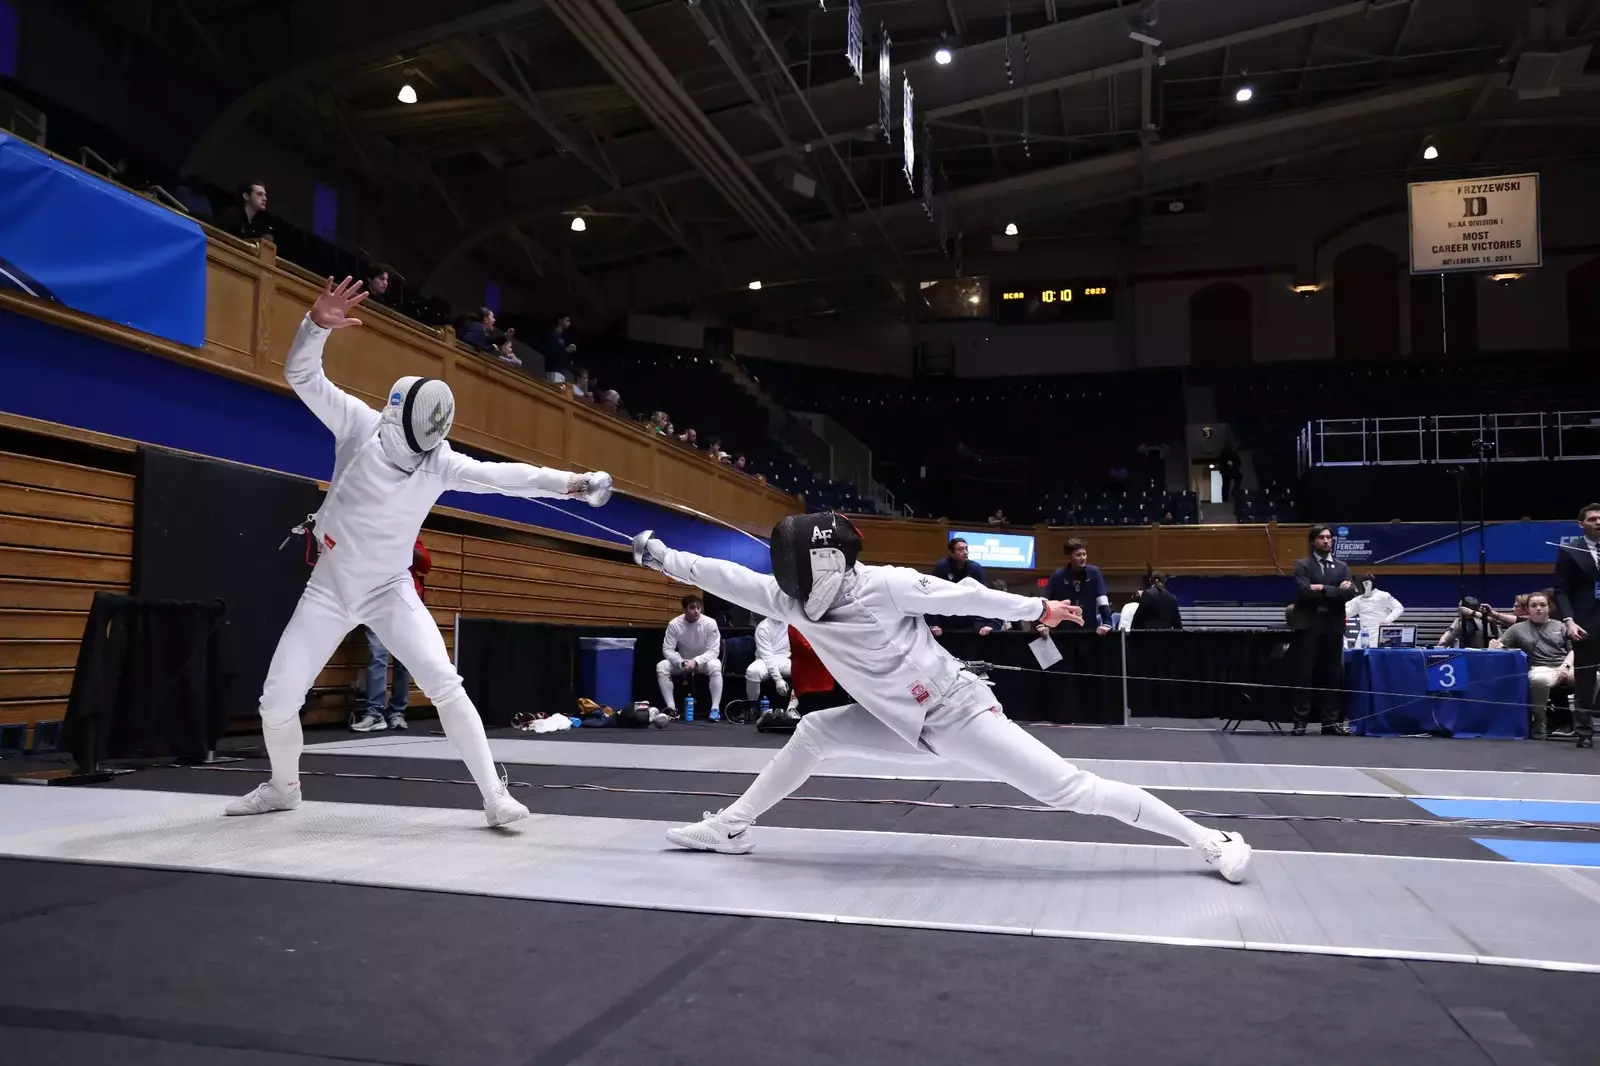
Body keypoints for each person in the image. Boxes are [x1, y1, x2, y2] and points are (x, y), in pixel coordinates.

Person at [632, 513, 1250, 883]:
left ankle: (1209, 840)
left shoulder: (886, 586)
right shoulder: (789, 601)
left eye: (796, 566)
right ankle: (732, 827)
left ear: (826, 563)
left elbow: (968, 597)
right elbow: (726, 577)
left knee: (1070, 790)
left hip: (956, 711)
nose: (787, 579)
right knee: (815, 732)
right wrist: (661, 557)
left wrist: (1037, 607)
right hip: (900, 723)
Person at [225, 278, 614, 825]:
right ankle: (283, 787)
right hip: (331, 587)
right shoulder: (359, 426)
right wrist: (314, 326)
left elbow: (509, 477)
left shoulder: (438, 461)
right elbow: (303, 376)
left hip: (390, 589)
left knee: (445, 684)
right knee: (277, 699)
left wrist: (571, 483)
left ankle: (495, 797)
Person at [353, 536, 431, 732]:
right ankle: (375, 714)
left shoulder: (409, 532)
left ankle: (397, 713)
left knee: (403, 660)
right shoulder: (373, 532)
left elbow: (425, 564)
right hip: (377, 600)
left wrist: (407, 545)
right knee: (377, 655)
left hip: (406, 601)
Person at [1287, 525, 1358, 735]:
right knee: (1304, 675)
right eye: (1321, 537)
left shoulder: (1342, 566)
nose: (1326, 541)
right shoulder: (1303, 565)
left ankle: (1330, 723)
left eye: (1328, 537)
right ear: (1313, 541)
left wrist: (1320, 588)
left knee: (1332, 675)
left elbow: (1350, 594)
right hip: (1309, 626)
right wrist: (1336, 590)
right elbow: (1304, 592)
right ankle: (1300, 722)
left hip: (1333, 626)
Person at [1491, 591, 1573, 740]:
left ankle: (1581, 723)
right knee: (1539, 680)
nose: (1538, 608)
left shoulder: (1562, 626)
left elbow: (1572, 650)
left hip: (1566, 665)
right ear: (1528, 609)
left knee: (1594, 678)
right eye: (1534, 605)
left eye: (1542, 605)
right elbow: (1500, 645)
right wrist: (1495, 645)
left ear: (1549, 607)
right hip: (1540, 668)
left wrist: (1565, 666)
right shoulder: (1517, 629)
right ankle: (1539, 724)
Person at [1554, 502, 1600, 747]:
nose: (1598, 522)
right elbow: (1561, 590)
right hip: (1585, 622)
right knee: (1585, 679)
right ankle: (1584, 731)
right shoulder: (1570, 550)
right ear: (1581, 524)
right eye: (1592, 519)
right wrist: (1569, 620)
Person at [657, 593, 724, 720]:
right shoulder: (674, 624)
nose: (696, 611)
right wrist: (680, 661)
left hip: (703, 662)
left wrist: (696, 661)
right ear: (685, 609)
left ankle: (715, 709)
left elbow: (714, 651)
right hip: (683, 662)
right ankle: (671, 709)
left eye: (699, 607)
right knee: (661, 666)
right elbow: (667, 649)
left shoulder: (710, 623)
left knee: (716, 665)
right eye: (692, 608)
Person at [928, 538, 1001, 637]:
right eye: (960, 549)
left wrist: (992, 624)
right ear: (951, 553)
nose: (965, 552)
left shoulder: (975, 568)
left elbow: (985, 596)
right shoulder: (942, 567)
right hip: (946, 619)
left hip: (969, 619)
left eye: (966, 549)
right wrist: (932, 624)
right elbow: (932, 595)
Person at [1043, 539, 1112, 635]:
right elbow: (1046, 601)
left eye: (1084, 554)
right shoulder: (1058, 575)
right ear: (1069, 557)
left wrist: (1107, 623)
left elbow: (1102, 599)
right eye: (1078, 555)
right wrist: (1041, 624)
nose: (1083, 558)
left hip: (1088, 630)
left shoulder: (1094, 573)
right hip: (1063, 632)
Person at [1345, 573, 1404, 642]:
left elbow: (1399, 608)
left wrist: (1387, 620)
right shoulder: (1358, 600)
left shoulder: (1383, 595)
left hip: (1380, 634)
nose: (1356, 588)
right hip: (1364, 635)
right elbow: (1347, 613)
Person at [745, 615, 792, 701]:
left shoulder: (791, 623)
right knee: (752, 672)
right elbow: (767, 657)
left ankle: (794, 705)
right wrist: (778, 679)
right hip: (764, 660)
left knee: (803, 671)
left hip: (784, 660)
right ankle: (752, 705)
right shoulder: (763, 627)